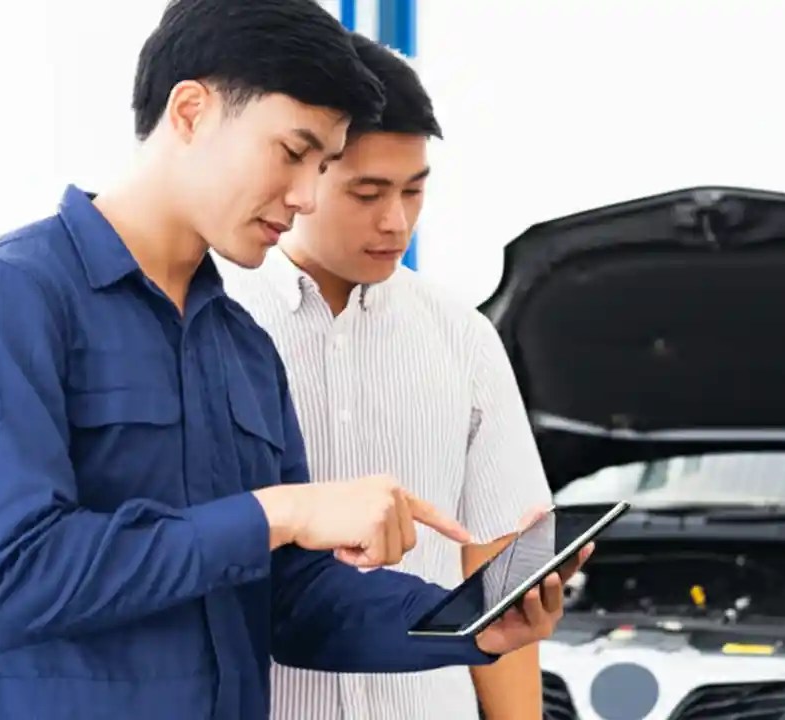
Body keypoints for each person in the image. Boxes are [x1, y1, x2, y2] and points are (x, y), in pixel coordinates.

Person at [0, 2, 587, 719]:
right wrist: (280, 511)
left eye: (323, 166)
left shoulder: (241, 347)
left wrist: (470, 626)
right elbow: (9, 583)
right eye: (292, 153)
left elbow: (291, 603)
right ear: (192, 112)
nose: (303, 196)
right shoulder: (2, 298)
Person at [217, 34, 553, 720]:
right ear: (302, 175)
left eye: (414, 190)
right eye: (367, 193)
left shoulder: (463, 338)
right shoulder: (214, 326)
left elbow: (495, 576)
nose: (395, 221)